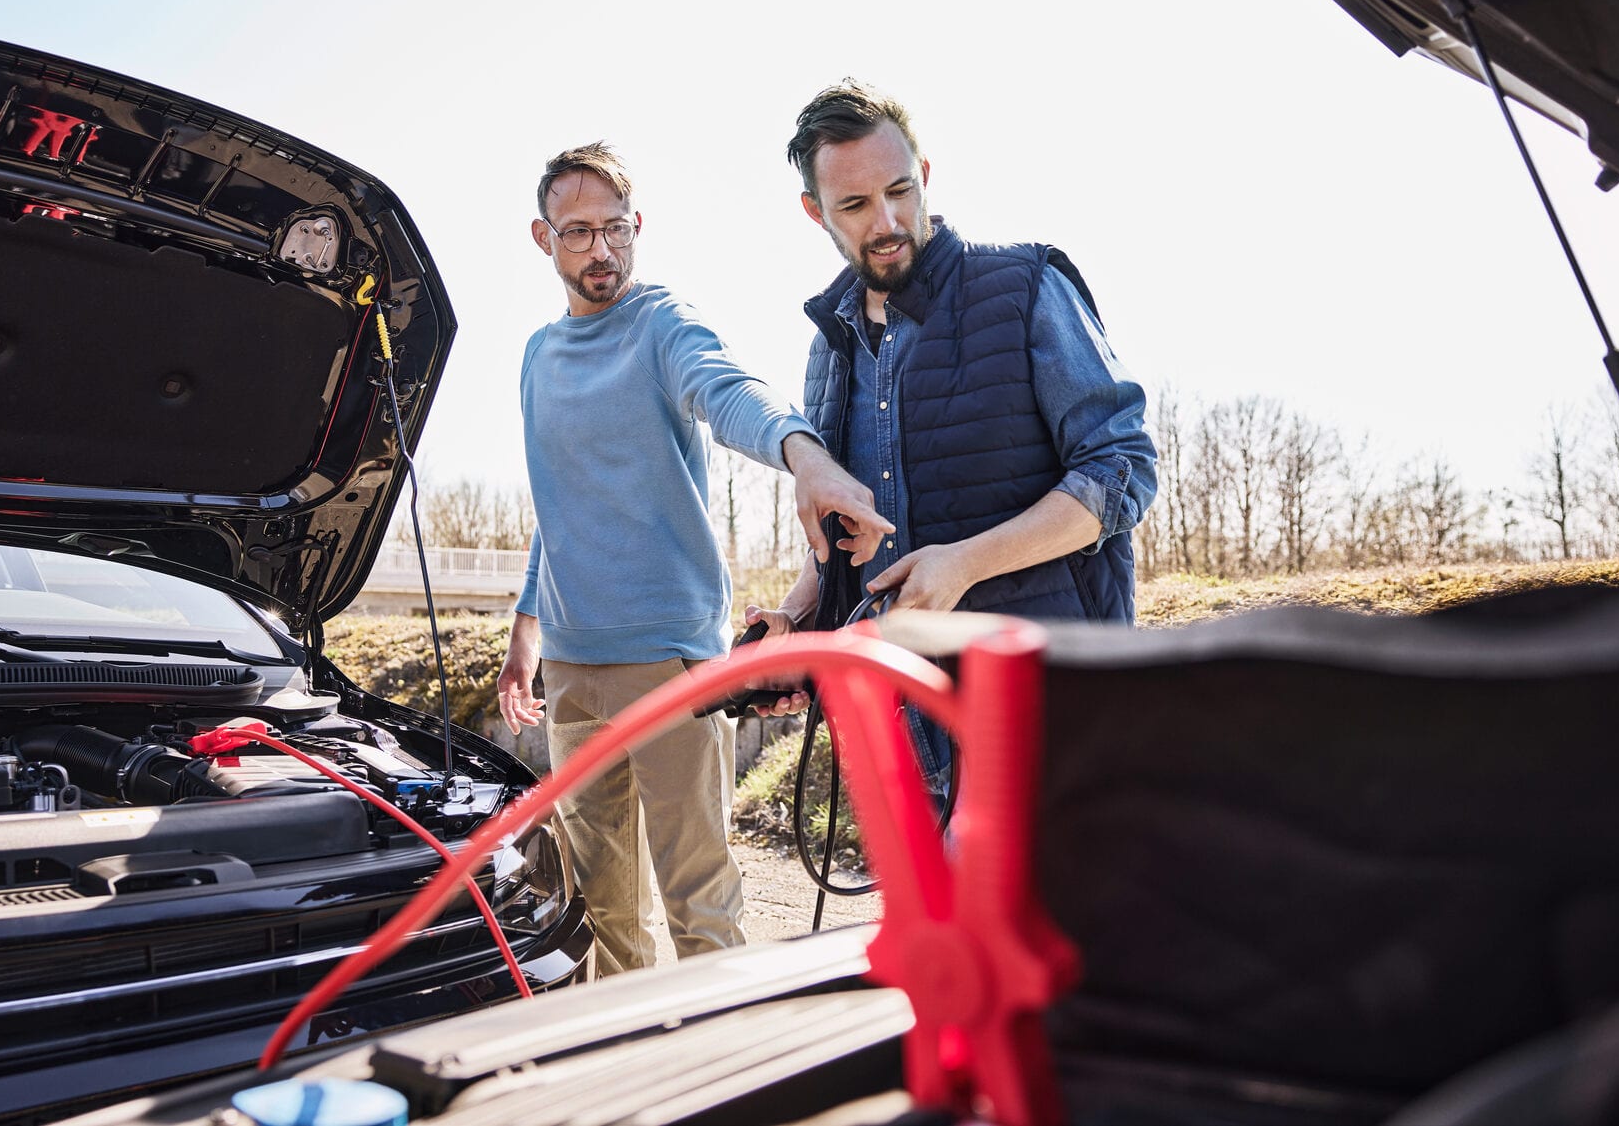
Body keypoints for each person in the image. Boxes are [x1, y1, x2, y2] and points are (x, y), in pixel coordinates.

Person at [496, 141, 889, 976]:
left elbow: (727, 388)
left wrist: (802, 454)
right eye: (577, 233)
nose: (600, 250)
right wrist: (527, 626)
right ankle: (634, 1078)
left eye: (614, 229)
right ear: (543, 238)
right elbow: (557, 502)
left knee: (697, 905)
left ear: (636, 228)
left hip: (669, 663)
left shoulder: (662, 325)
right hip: (570, 668)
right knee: (601, 911)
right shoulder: (535, 356)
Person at [747, 83, 1158, 772]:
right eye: (854, 204)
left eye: (900, 189)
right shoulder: (831, 348)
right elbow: (853, 534)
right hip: (902, 742)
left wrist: (964, 563)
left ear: (925, 175)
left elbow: (1121, 470)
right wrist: (794, 625)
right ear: (814, 212)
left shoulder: (1026, 285)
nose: (887, 220)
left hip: (1043, 717)